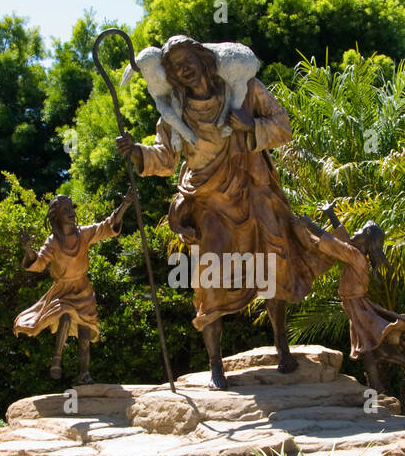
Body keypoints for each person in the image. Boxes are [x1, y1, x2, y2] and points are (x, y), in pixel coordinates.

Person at [115, 35, 334, 390]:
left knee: (273, 263)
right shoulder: (175, 108)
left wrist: (251, 126)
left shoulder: (245, 90)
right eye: (172, 67)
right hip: (207, 199)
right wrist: (137, 151)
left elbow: (283, 126)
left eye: (186, 59)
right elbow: (165, 157)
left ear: (203, 58)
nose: (181, 69)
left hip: (252, 189)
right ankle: (216, 364)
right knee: (208, 276)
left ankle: (282, 346)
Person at [13, 191, 133, 384]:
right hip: (63, 290)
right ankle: (57, 359)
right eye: (65, 210)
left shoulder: (83, 234)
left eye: (71, 208)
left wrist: (125, 206)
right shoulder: (53, 242)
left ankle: (84, 373)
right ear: (56, 216)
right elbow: (40, 262)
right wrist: (28, 250)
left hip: (83, 290)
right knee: (66, 315)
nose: (71, 212)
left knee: (85, 332)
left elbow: (106, 227)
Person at [299, 205, 405, 394]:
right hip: (355, 305)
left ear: (366, 242)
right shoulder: (356, 253)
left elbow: (335, 244)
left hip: (358, 306)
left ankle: (377, 386)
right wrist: (331, 214)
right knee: (372, 349)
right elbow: (344, 240)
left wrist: (310, 225)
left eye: (361, 231)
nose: (356, 231)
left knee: (366, 349)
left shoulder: (356, 256)